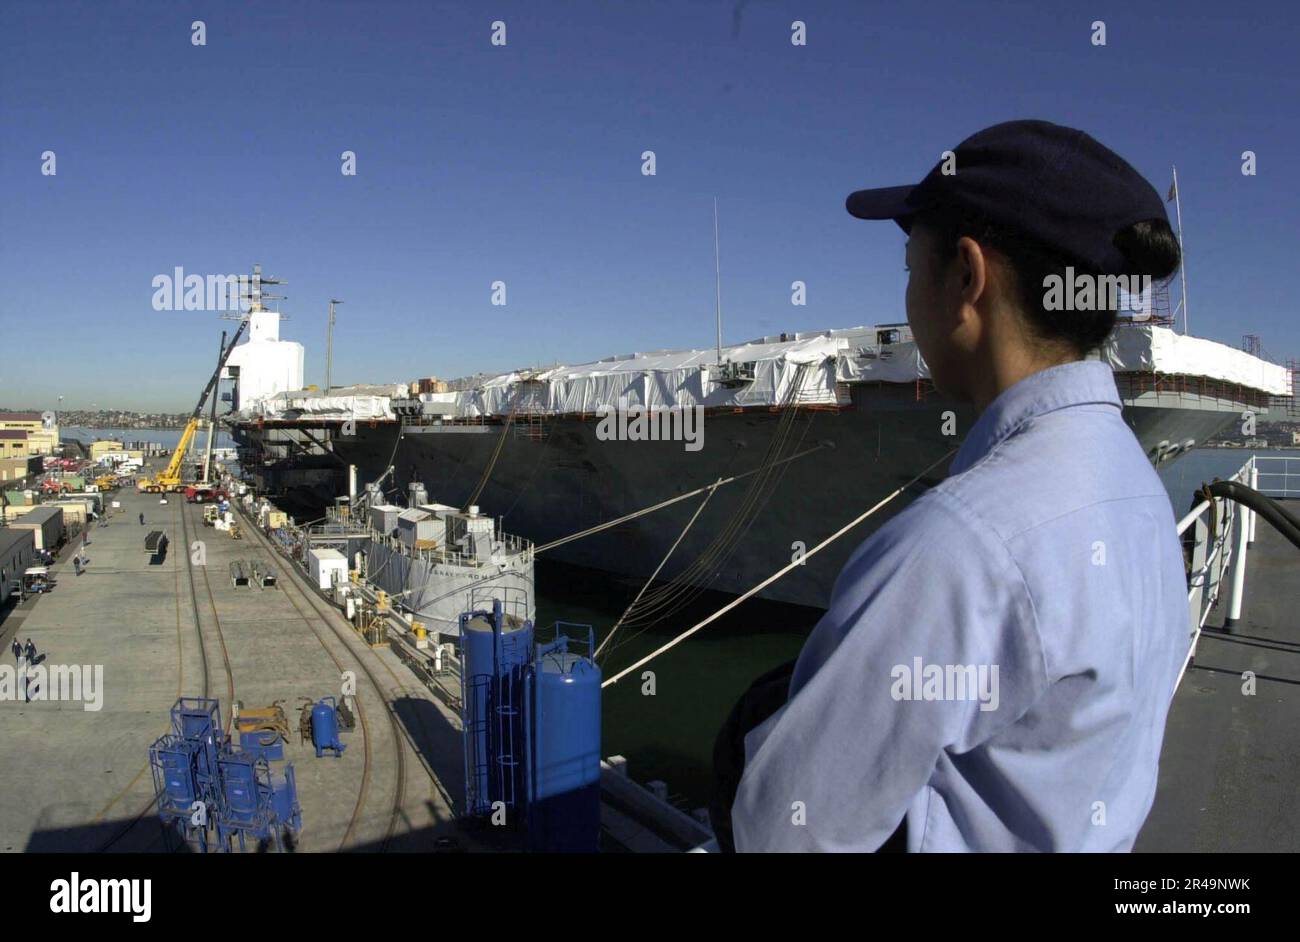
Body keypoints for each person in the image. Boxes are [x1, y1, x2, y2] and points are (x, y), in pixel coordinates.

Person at [723, 120, 1187, 852]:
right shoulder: (1139, 486)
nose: (908, 296)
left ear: (967, 275)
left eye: (911, 267)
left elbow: (783, 830)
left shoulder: (957, 546)